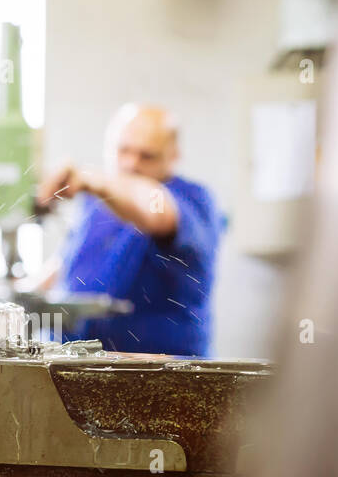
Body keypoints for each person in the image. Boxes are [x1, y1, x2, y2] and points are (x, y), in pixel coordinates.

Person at [33, 103, 223, 357]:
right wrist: (24, 292)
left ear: (174, 155)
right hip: (79, 368)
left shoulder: (191, 200)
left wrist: (91, 180)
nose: (131, 163)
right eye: (123, 150)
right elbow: (72, 260)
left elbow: (152, 204)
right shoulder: (97, 202)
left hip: (160, 378)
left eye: (147, 156)